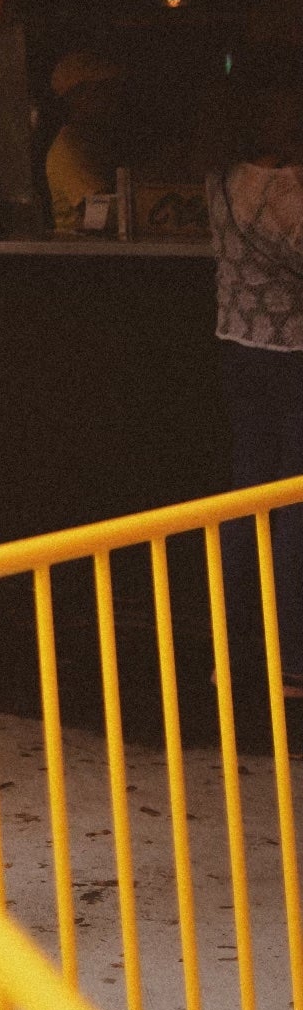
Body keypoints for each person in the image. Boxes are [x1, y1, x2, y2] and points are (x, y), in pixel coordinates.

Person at [210, 61, 303, 690]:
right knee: (295, 507)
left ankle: (238, 654)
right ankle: (293, 658)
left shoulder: (220, 179)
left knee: (249, 503)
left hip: (239, 352)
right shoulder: (284, 188)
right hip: (291, 355)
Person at [44, 51, 123, 235]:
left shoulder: (97, 141)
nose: (115, 96)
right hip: (84, 256)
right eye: (104, 88)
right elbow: (98, 217)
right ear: (78, 96)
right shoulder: (69, 149)